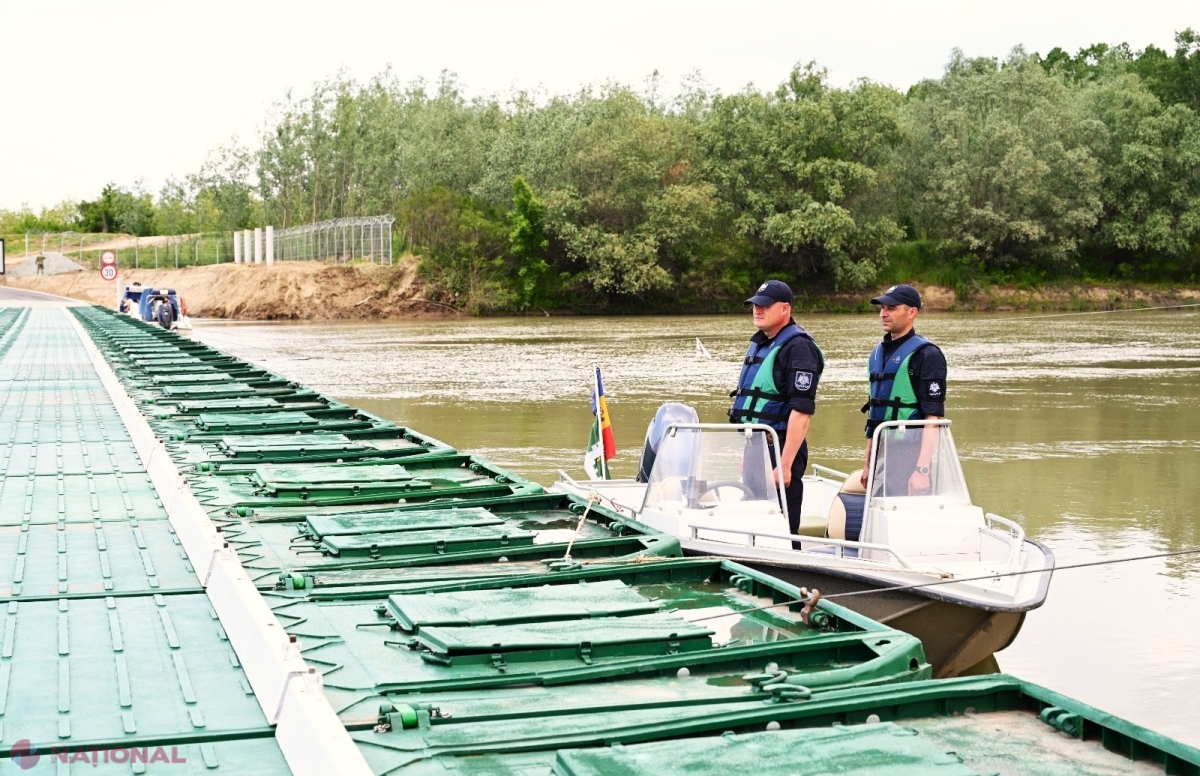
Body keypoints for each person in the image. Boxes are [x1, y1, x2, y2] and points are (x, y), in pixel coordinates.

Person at [729, 280, 824, 541]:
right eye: (755, 305)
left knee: (782, 525)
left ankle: (790, 561)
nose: (757, 309)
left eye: (765, 305)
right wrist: (749, 452)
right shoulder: (762, 343)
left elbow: (801, 412)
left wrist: (785, 465)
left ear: (785, 308)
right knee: (755, 521)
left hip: (780, 447)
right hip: (757, 445)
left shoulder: (799, 348)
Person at [859, 284, 947, 496]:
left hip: (910, 454)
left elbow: (932, 418)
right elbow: (875, 413)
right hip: (882, 453)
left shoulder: (927, 355)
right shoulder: (877, 354)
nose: (883, 313)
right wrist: (868, 463)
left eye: (891, 308)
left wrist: (922, 470)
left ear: (912, 312)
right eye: (882, 308)